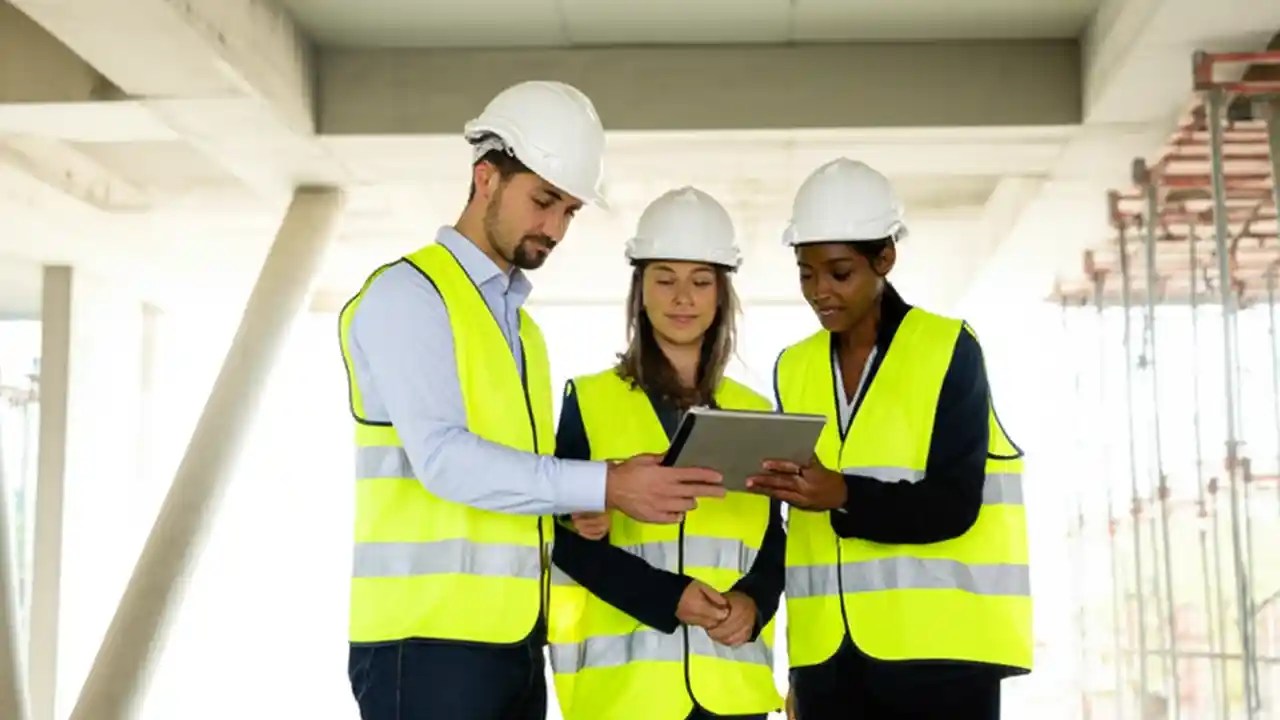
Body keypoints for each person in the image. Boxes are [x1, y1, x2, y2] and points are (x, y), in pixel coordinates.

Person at [337, 81, 726, 720]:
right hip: (427, 644)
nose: (555, 228)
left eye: (570, 211)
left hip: (513, 642)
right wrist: (604, 485)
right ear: (485, 177)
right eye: (544, 201)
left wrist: (576, 511)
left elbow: (508, 477)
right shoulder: (409, 296)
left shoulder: (523, 329)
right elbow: (444, 460)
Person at [746, 158, 1032, 719]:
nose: (819, 291)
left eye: (839, 272)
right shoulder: (794, 367)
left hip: (942, 658)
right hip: (827, 660)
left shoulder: (948, 349)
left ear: (885, 258)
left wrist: (844, 494)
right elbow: (794, 531)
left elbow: (954, 504)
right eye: (806, 272)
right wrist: (800, 674)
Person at [547, 187, 786, 720]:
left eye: (701, 281)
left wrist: (755, 604)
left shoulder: (756, 411)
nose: (683, 297)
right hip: (626, 696)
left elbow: (773, 543)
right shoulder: (588, 401)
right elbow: (564, 546)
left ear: (721, 294)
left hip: (731, 689)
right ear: (641, 291)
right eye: (665, 279)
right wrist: (665, 596)